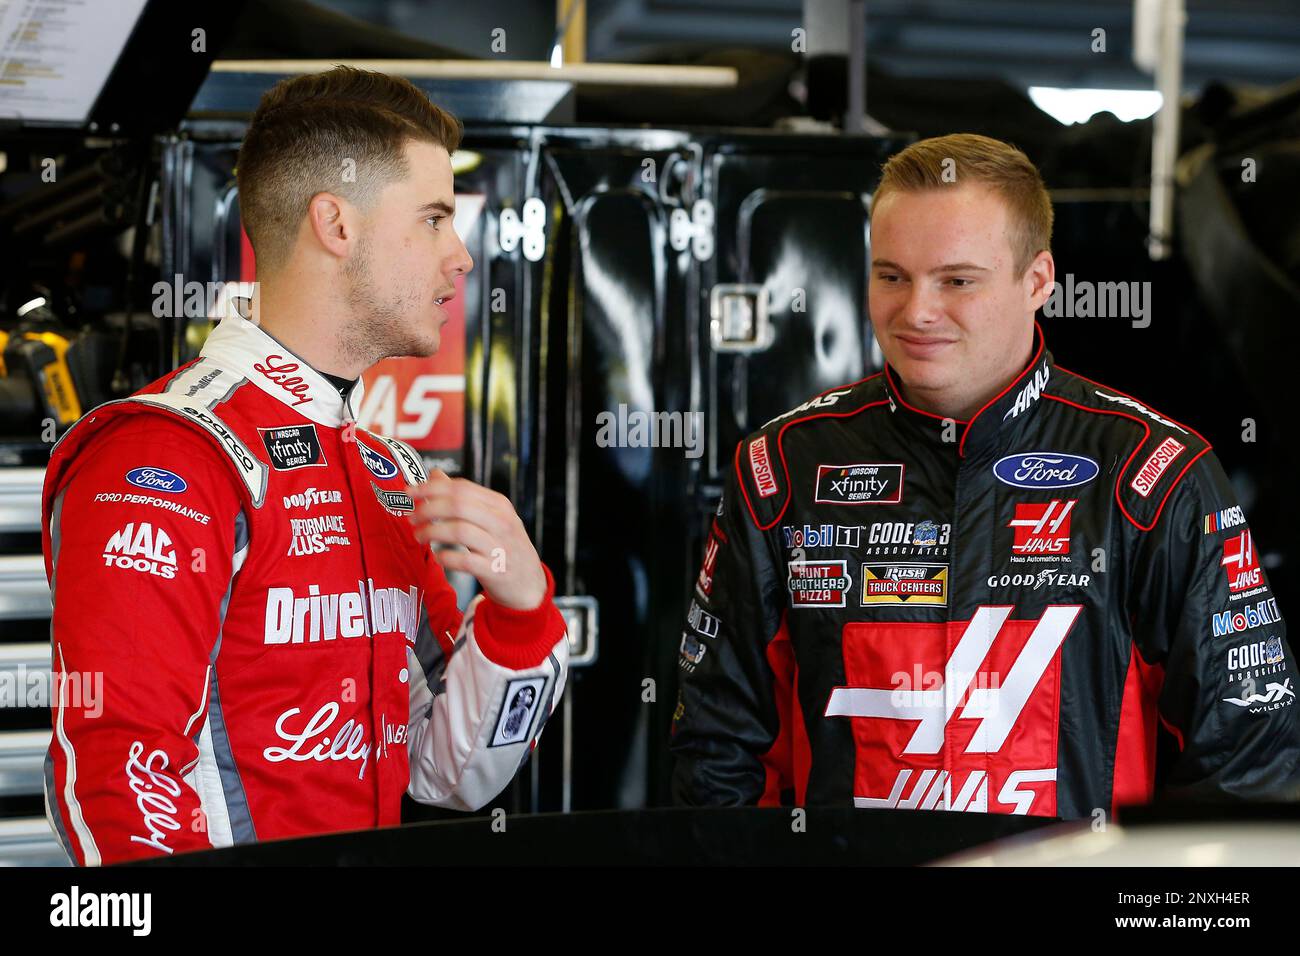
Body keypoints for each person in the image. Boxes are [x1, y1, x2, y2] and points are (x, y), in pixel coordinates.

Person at [670, 133, 1299, 817]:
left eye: (957, 280)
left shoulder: (1155, 476)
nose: (917, 312)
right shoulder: (780, 469)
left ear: (1038, 280)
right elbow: (716, 750)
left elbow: (1246, 763)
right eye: (892, 276)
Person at [42, 67, 568, 866]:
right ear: (336, 224)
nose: (460, 257)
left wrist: (522, 610)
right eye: (434, 218)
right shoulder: (168, 455)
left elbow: (449, 773)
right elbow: (117, 774)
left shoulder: (387, 470)